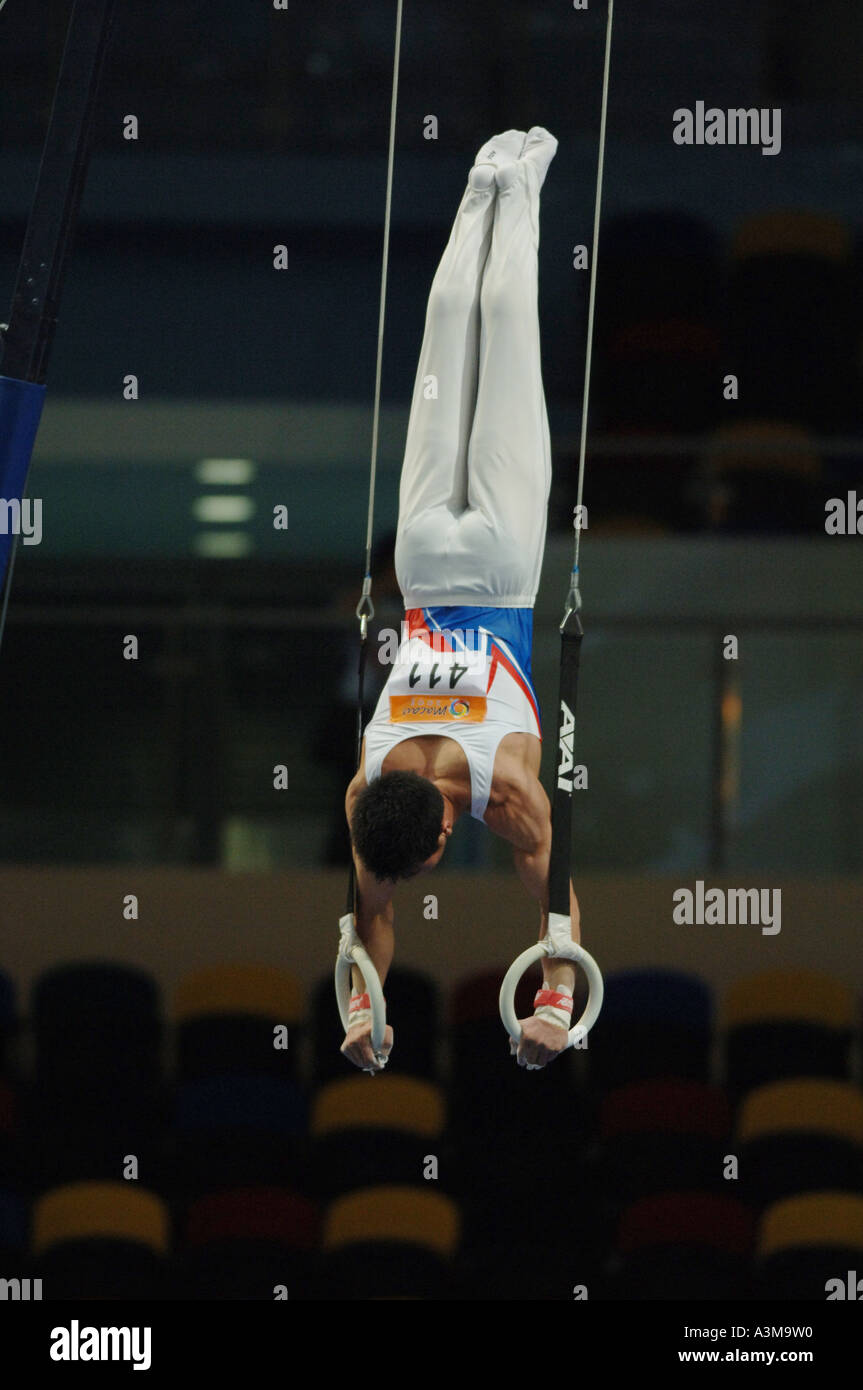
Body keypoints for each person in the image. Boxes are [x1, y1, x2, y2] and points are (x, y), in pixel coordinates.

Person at [343, 128, 580, 1074]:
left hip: (502, 563)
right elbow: (368, 920)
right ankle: (482, 182)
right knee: (443, 350)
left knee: (507, 339)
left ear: (443, 825)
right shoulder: (367, 789)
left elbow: (555, 901)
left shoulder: (508, 794)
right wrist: (361, 1008)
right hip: (422, 558)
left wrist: (555, 1007)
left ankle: (522, 180)